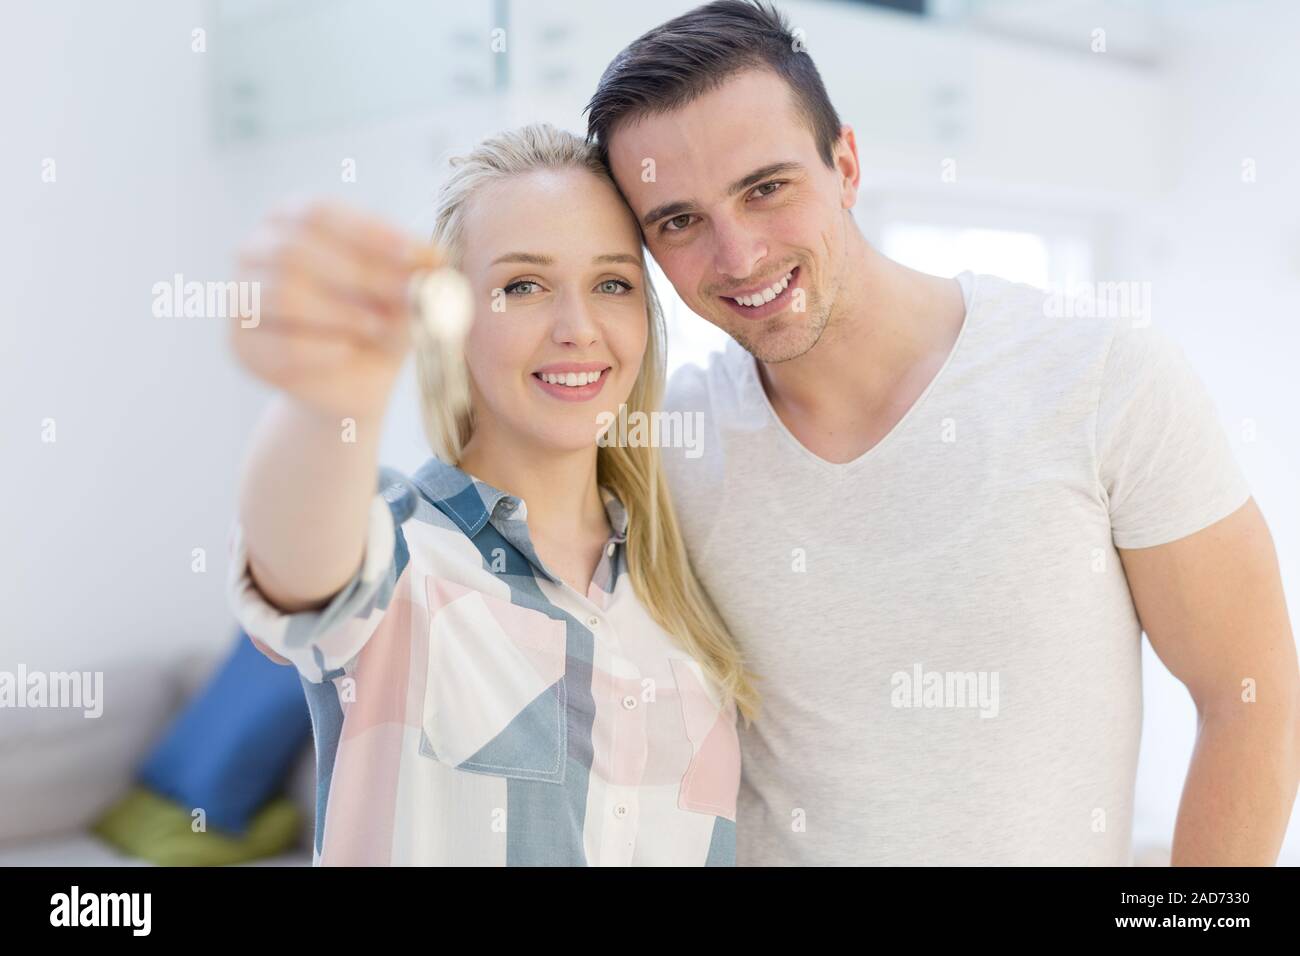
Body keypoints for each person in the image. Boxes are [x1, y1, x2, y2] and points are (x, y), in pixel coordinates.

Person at [585, 0, 1299, 865]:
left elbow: (1251, 696)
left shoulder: (1103, 378)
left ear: (845, 164)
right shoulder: (663, 446)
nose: (737, 256)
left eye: (766, 188)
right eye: (679, 220)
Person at [225, 123, 758, 866]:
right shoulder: (403, 555)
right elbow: (298, 562)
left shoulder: (682, 585)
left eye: (612, 284)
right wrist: (325, 401)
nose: (578, 329)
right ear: (455, 323)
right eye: (522, 286)